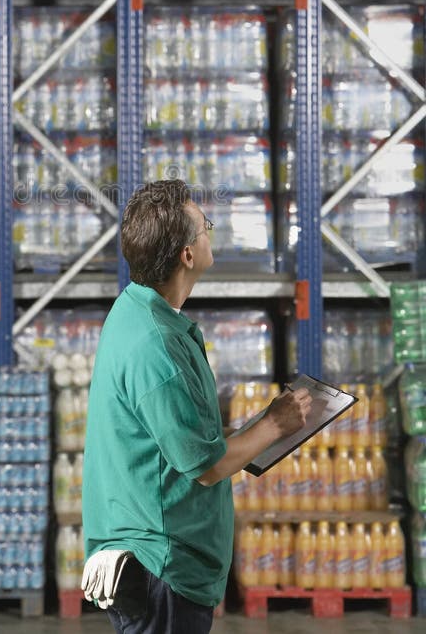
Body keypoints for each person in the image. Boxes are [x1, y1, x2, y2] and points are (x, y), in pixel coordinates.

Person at [81, 179, 311, 634]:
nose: (211, 232)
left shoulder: (137, 310)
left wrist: (248, 432)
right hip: (161, 565)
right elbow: (203, 467)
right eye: (205, 226)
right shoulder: (156, 348)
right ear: (187, 255)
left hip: (149, 545)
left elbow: (173, 438)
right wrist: (274, 424)